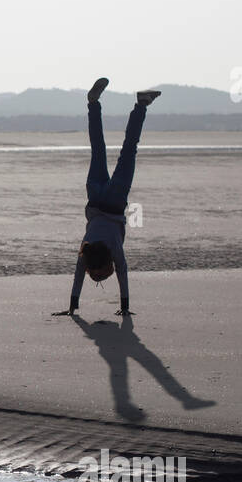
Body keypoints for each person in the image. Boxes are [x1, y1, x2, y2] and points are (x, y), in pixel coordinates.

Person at [55, 77, 159, 317]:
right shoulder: (85, 250)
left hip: (114, 201)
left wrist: (124, 307)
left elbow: (122, 273)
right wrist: (72, 305)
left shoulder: (113, 249)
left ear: (106, 263)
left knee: (129, 149)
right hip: (94, 194)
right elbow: (78, 277)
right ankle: (93, 103)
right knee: (98, 147)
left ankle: (141, 103)